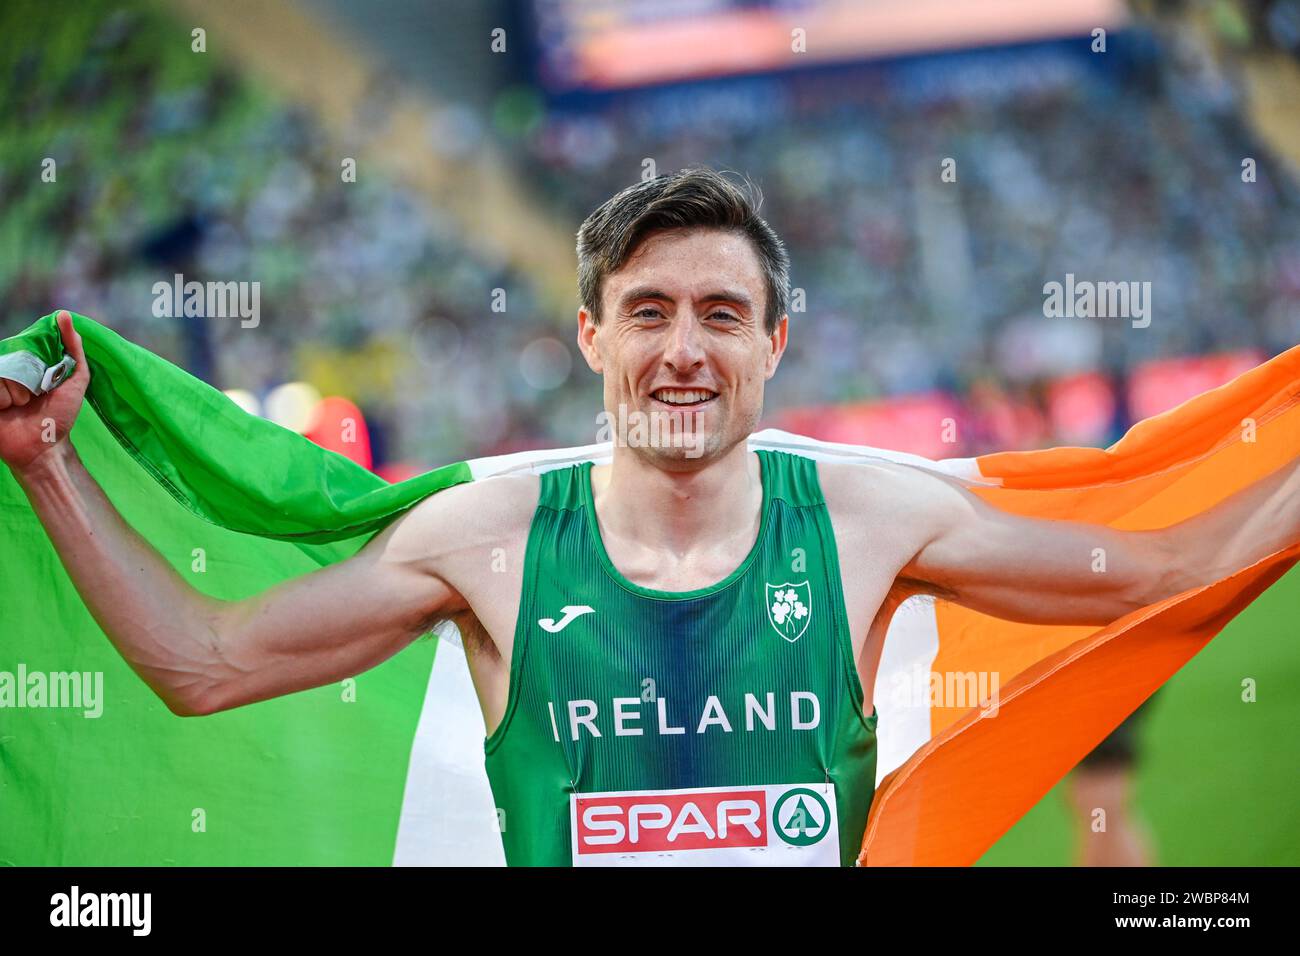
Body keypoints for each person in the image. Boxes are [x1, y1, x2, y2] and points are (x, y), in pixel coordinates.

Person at [3, 167, 1298, 867]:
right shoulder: (490, 538)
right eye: (650, 312)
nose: (685, 350)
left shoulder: (866, 520)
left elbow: (1171, 564)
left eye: (723, 315)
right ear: (590, 339)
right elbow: (203, 662)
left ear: (776, 345)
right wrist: (49, 466)